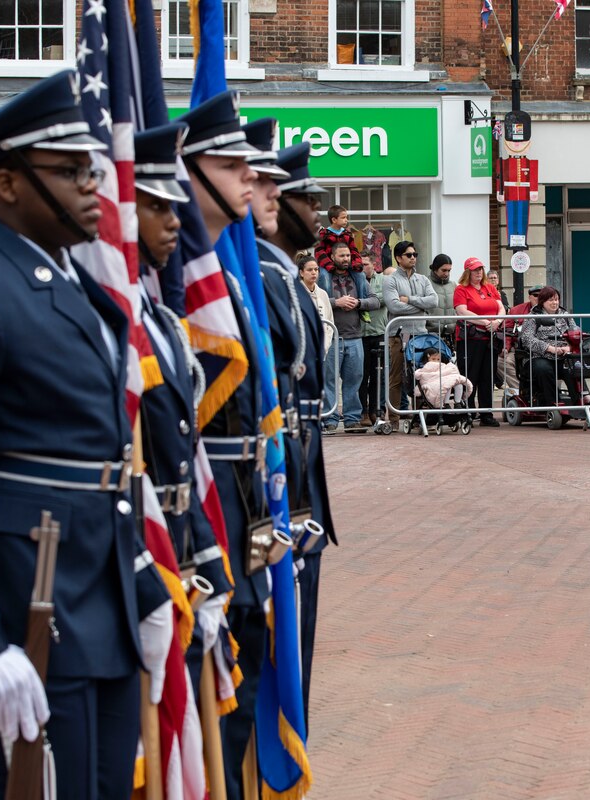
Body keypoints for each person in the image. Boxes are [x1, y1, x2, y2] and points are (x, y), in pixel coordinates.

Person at [0, 71, 173, 797]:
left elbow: (100, 459)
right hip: (26, 607)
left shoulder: (71, 285)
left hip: (96, 594)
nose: (93, 185)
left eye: (94, 168)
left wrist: (141, 585)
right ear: (9, 183)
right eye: (72, 169)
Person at [178, 90, 274, 800]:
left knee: (242, 679)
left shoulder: (225, 273)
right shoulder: (183, 273)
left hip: (241, 504)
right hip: (198, 517)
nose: (251, 178)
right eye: (235, 163)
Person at [132, 121, 234, 701]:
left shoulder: (159, 318)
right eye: (159, 206)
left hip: (176, 528)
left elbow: (177, 447)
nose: (178, 221)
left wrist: (203, 552)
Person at [266, 142, 337, 722]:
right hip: (274, 492)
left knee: (296, 647)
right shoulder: (263, 280)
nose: (317, 211)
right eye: (308, 200)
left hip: (298, 487)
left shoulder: (288, 279)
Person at [321, 241, 379, 432]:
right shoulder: (323, 277)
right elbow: (313, 299)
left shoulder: (359, 277)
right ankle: (329, 420)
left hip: (355, 337)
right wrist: (337, 302)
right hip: (331, 337)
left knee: (354, 379)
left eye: (348, 256)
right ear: (332, 257)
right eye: (341, 256)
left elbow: (375, 301)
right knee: (329, 380)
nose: (346, 259)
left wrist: (359, 303)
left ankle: (352, 420)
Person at [382, 241, 437, 426]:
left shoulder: (422, 279)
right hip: (398, 335)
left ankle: (420, 418)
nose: (413, 257)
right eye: (409, 255)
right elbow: (394, 306)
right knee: (396, 377)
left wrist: (411, 300)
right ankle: (394, 419)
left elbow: (433, 301)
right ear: (399, 258)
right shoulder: (391, 280)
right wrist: (421, 308)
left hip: (420, 334)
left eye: (415, 254)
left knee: (422, 375)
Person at [517, 286, 590, 407]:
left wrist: (570, 347)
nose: (555, 303)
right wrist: (550, 348)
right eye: (551, 300)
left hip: (563, 356)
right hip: (539, 356)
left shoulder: (564, 314)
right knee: (544, 369)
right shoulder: (533, 316)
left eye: (556, 300)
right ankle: (552, 402)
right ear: (543, 302)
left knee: (574, 367)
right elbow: (527, 339)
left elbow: (575, 331)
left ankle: (583, 398)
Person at [453, 256, 503, 426]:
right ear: (468, 271)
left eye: (480, 269)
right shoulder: (461, 289)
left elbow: (501, 307)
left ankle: (486, 413)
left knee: (488, 375)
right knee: (470, 375)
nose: (479, 272)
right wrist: (485, 322)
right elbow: (462, 311)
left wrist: (497, 321)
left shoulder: (489, 287)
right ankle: (468, 410)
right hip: (470, 338)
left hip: (490, 337)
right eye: (475, 270)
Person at [358, 252, 386, 425]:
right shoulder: (356, 280)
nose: (362, 268)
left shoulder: (384, 281)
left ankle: (377, 410)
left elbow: (384, 299)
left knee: (378, 375)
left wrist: (361, 302)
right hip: (360, 334)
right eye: (359, 265)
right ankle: (363, 412)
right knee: (362, 375)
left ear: (374, 265)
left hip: (379, 331)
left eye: (365, 265)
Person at [299, 254, 334, 355]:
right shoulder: (296, 292)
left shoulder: (323, 294)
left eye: (316, 269)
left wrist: (324, 346)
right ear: (301, 273)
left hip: (321, 349)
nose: (314, 273)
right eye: (309, 270)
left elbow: (330, 323)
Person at [314, 204, 362, 274]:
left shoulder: (347, 234)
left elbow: (354, 250)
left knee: (361, 275)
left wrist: (357, 263)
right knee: (324, 276)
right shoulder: (324, 234)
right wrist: (329, 265)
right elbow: (319, 252)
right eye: (343, 218)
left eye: (346, 217)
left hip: (346, 264)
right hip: (327, 266)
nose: (346, 220)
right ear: (334, 220)